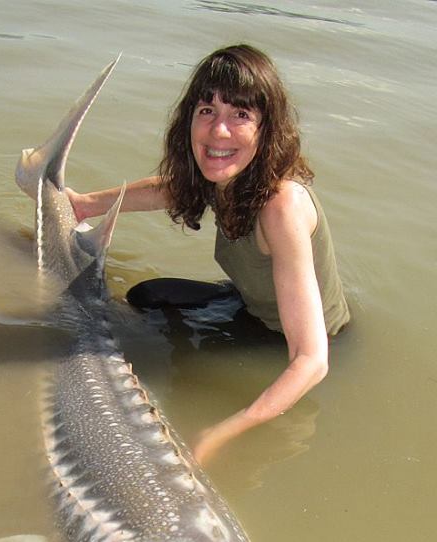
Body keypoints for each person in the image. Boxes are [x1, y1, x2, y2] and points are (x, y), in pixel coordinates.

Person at [66, 44, 349, 464]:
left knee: (179, 372)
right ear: (189, 121)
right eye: (207, 111)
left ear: (267, 129)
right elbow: (169, 187)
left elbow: (311, 360)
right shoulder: (226, 176)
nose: (219, 132)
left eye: (240, 115)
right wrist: (87, 203)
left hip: (299, 342)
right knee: (147, 296)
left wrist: (222, 432)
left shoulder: (281, 207)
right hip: (247, 307)